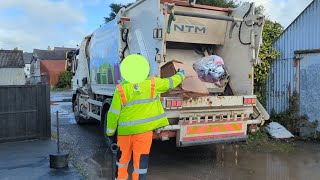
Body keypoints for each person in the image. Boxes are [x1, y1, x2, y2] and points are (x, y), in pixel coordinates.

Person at [106, 54, 185, 180]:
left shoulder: (121, 88)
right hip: (144, 133)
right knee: (140, 162)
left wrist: (110, 132)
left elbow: (113, 113)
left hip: (124, 133)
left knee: (122, 160)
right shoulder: (153, 83)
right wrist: (181, 74)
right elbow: (170, 83)